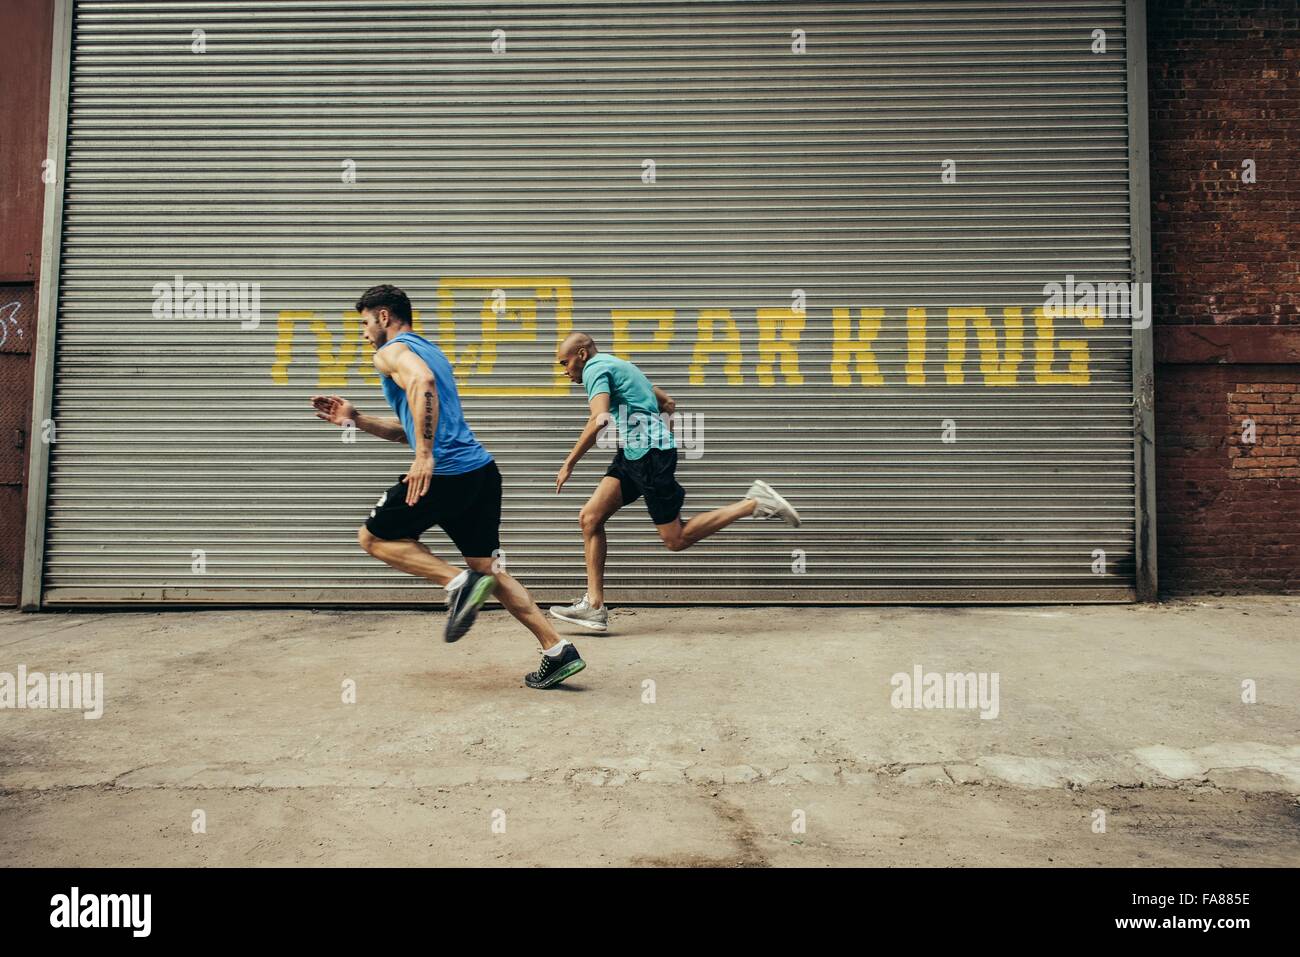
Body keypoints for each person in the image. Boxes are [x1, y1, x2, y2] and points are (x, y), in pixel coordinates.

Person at [311, 284, 585, 689]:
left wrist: (424, 455)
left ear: (384, 316)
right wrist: (359, 419)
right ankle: (556, 649)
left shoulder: (391, 352)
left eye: (365, 323)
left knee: (372, 538)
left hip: (445, 475)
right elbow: (413, 424)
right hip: (480, 474)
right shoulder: (431, 351)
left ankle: (458, 585)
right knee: (489, 570)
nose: (364, 333)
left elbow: (422, 387)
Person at [550, 332, 800, 632]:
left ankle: (754, 504)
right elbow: (664, 398)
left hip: (650, 457)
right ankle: (594, 605)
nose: (565, 371)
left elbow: (599, 419)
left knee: (675, 539)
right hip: (634, 454)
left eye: (565, 363)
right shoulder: (618, 364)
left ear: (581, 354)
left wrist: (569, 463)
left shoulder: (594, 369)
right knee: (590, 518)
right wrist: (656, 410)